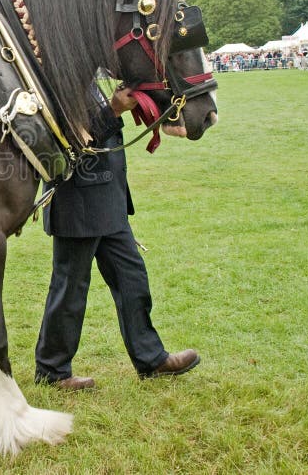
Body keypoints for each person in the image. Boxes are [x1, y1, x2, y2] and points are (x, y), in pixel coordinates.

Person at [35, 85, 200, 390]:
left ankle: (152, 360)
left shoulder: (89, 74)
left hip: (109, 201)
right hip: (78, 203)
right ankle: (52, 371)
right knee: (69, 290)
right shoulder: (60, 77)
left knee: (132, 280)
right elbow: (67, 137)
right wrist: (112, 110)